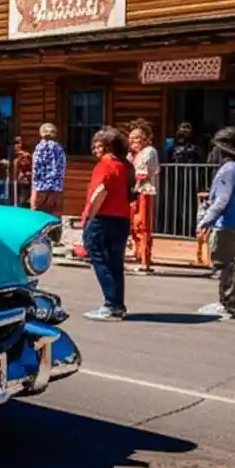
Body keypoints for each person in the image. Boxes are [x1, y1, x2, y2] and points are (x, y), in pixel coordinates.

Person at [195, 127, 235, 319]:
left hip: (229, 223)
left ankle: (227, 304)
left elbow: (222, 200)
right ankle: (226, 302)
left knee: (223, 264)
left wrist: (205, 220)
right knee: (228, 263)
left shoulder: (228, 169)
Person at [82, 127, 136, 322]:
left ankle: (110, 304)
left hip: (102, 217)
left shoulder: (104, 165)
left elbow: (100, 192)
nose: (94, 150)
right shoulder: (125, 166)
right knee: (115, 262)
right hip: (121, 218)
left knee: (98, 257)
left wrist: (89, 217)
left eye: (97, 145)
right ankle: (118, 304)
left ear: (106, 147)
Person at [127, 120, 160, 274]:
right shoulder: (133, 154)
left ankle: (146, 261)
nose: (134, 141)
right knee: (134, 225)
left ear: (146, 138)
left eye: (138, 137)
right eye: (132, 138)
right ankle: (137, 253)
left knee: (144, 225)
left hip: (145, 190)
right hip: (134, 190)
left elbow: (144, 172)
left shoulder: (149, 152)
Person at [31, 123, 66, 219]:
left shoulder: (40, 148)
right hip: (57, 189)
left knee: (38, 221)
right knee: (54, 221)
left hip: (40, 189)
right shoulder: (60, 149)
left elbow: (37, 171)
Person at [12, 136, 32, 207]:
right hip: (19, 182)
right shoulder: (16, 159)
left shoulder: (27, 156)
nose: (16, 146)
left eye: (18, 143)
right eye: (15, 143)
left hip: (27, 182)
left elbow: (30, 168)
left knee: (24, 201)